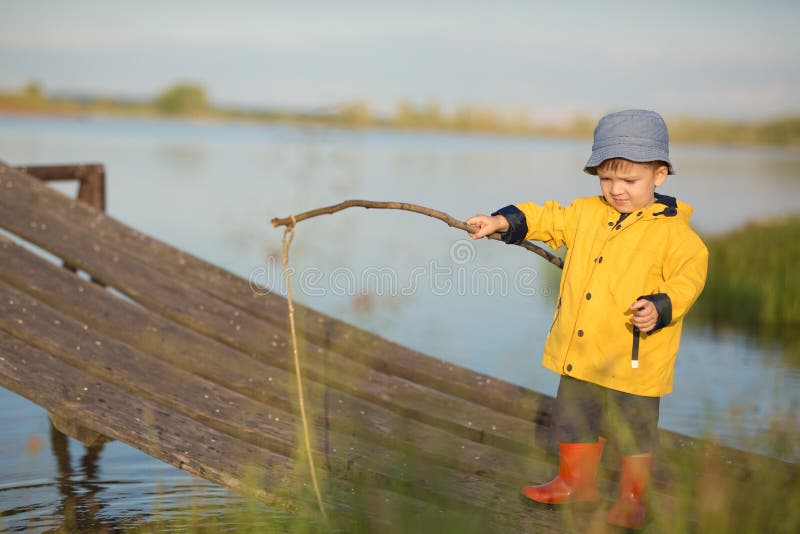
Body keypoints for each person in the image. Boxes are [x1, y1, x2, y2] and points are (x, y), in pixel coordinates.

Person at [467, 109, 708, 529]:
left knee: (634, 429)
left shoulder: (675, 233)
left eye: (629, 181)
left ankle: (633, 499)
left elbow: (689, 279)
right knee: (575, 417)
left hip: (635, 358)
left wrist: (661, 306)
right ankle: (575, 483)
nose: (615, 190)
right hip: (580, 348)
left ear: (660, 176)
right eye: (605, 178)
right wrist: (503, 220)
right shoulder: (586, 213)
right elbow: (549, 218)